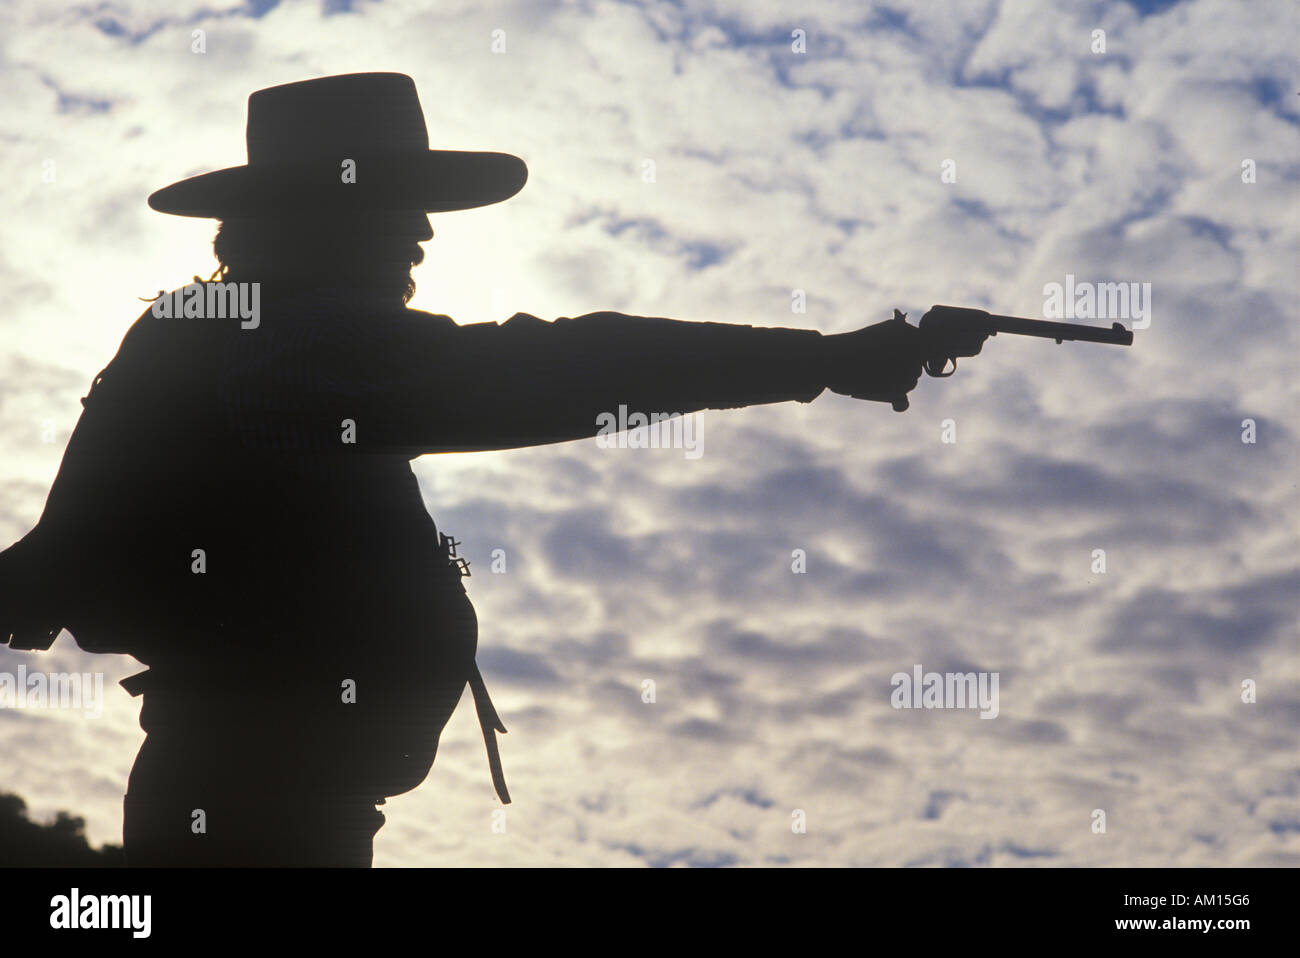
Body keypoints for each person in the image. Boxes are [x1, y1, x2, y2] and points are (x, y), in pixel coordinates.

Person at [0, 72, 933, 866]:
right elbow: (550, 371)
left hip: (275, 803)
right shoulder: (275, 348)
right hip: (256, 815)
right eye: (398, 204)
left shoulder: (231, 341)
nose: (424, 234)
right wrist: (822, 361)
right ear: (324, 213)